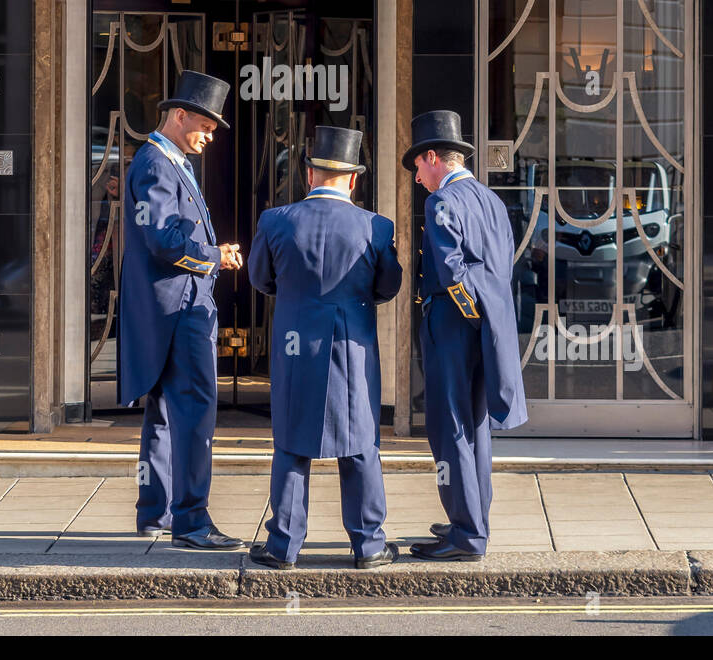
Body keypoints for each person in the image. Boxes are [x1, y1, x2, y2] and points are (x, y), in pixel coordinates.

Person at [246, 126, 403, 570]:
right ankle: (368, 545)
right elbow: (388, 285)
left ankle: (283, 546)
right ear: (353, 179)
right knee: (360, 444)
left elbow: (260, 279)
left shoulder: (275, 220)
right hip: (352, 344)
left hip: (295, 342)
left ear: (309, 173)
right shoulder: (376, 225)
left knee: (292, 443)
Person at [118, 70, 245, 550]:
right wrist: (216, 257)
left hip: (174, 304)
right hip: (180, 308)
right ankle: (191, 521)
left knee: (166, 412)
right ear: (178, 115)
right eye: (205, 126)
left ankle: (156, 514)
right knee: (195, 411)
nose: (209, 136)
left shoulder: (168, 161)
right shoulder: (155, 164)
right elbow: (162, 241)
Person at [404, 110, 527, 561]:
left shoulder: (441, 204)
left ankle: (466, 532)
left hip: (453, 325)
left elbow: (453, 272)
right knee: (476, 426)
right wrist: (487, 319)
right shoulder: (492, 201)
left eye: (419, 166)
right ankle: (473, 517)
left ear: (433, 157)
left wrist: (469, 315)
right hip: (489, 324)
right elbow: (504, 264)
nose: (418, 178)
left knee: (448, 425)